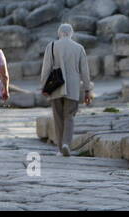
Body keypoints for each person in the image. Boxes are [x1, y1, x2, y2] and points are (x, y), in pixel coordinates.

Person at [38, 23, 93, 156]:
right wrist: (87, 90)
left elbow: (46, 69)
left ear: (59, 33)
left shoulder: (51, 46)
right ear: (71, 33)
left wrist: (44, 87)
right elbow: (85, 72)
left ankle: (59, 149)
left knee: (58, 118)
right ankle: (66, 144)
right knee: (69, 117)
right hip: (73, 87)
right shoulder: (79, 48)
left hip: (56, 87)